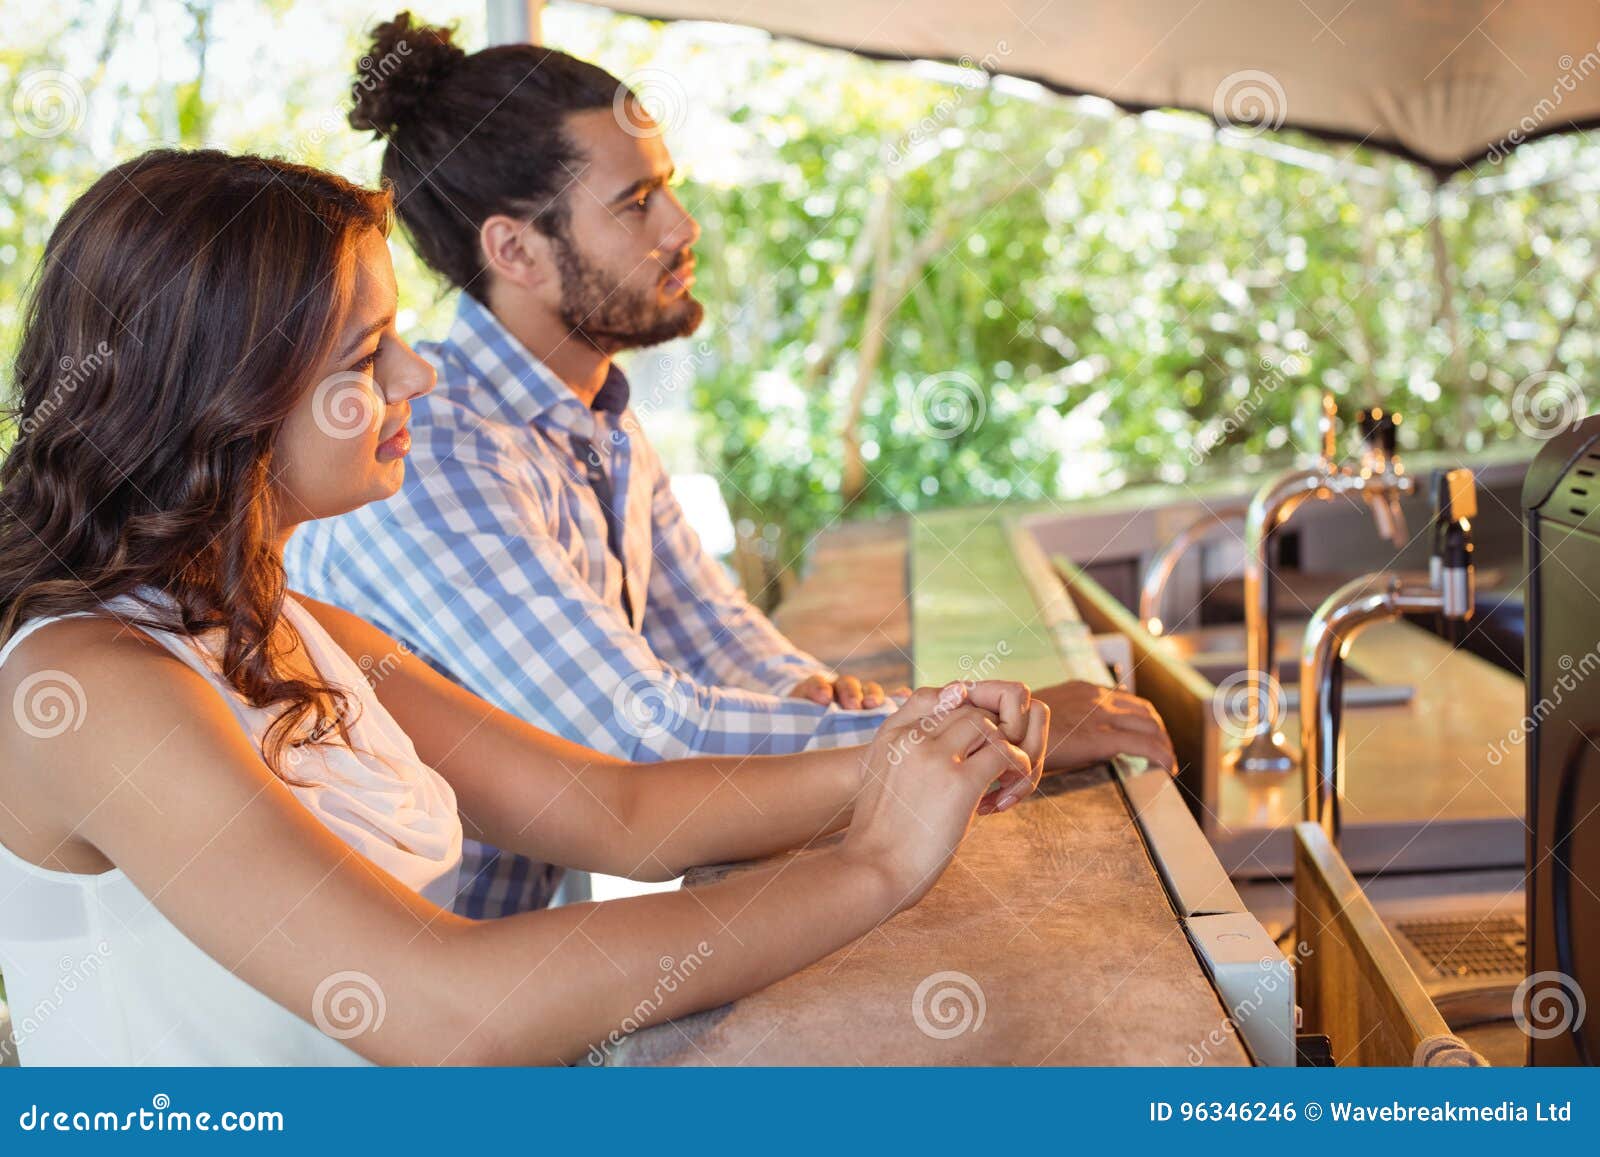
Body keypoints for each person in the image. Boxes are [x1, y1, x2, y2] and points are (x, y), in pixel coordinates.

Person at [0, 149, 1048, 1066]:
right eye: (369, 355)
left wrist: (908, 752)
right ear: (228, 396)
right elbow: (444, 1007)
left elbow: (617, 813)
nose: (418, 375)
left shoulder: (299, 631)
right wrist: (874, 866)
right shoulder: (86, 688)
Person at [286, 13, 1177, 918]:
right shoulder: (432, 448)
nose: (683, 224)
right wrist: (969, 730)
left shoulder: (595, 419)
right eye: (637, 202)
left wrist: (804, 688)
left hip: (484, 972)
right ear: (514, 249)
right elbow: (640, 741)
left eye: (667, 188)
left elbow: (710, 627)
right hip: (379, 1026)